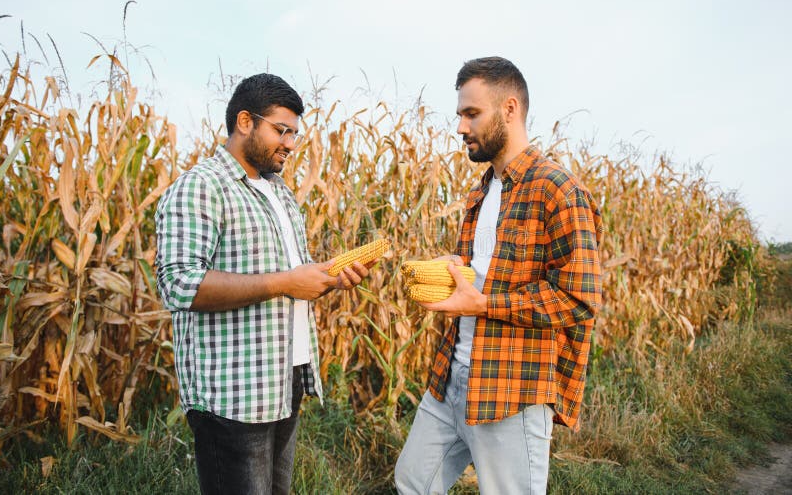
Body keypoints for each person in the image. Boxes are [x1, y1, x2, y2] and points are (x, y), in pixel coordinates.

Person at [155, 73, 372, 495]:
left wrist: (327, 279)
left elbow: (289, 279)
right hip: (233, 393)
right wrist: (287, 282)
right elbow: (180, 285)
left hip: (284, 378)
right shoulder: (201, 187)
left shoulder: (279, 192)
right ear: (244, 122)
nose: (291, 143)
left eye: (294, 133)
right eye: (281, 130)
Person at [395, 57, 603, 494]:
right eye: (460, 115)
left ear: (509, 109)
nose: (461, 127)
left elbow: (579, 300)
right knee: (412, 482)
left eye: (472, 114)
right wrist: (454, 271)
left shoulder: (558, 190)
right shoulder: (481, 193)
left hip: (513, 390)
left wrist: (485, 303)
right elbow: (485, 274)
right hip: (452, 377)